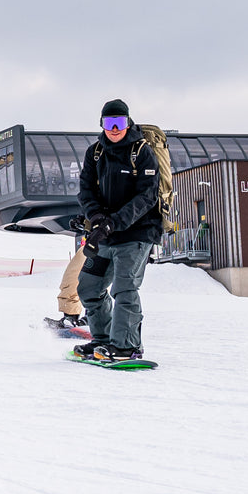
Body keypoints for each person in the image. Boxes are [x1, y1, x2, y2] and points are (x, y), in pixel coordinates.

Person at [72, 99, 161, 361]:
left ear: (128, 122)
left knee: (124, 289)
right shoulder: (95, 152)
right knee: (89, 287)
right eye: (108, 123)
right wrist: (97, 217)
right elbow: (86, 191)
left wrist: (115, 222)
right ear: (101, 124)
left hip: (137, 233)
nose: (114, 128)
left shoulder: (141, 152)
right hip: (105, 234)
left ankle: (127, 346)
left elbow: (147, 197)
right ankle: (103, 340)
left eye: (119, 123)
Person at [46, 230, 88, 330]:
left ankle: (94, 319)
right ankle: (71, 316)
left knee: (98, 280)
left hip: (114, 237)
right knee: (72, 276)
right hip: (94, 237)